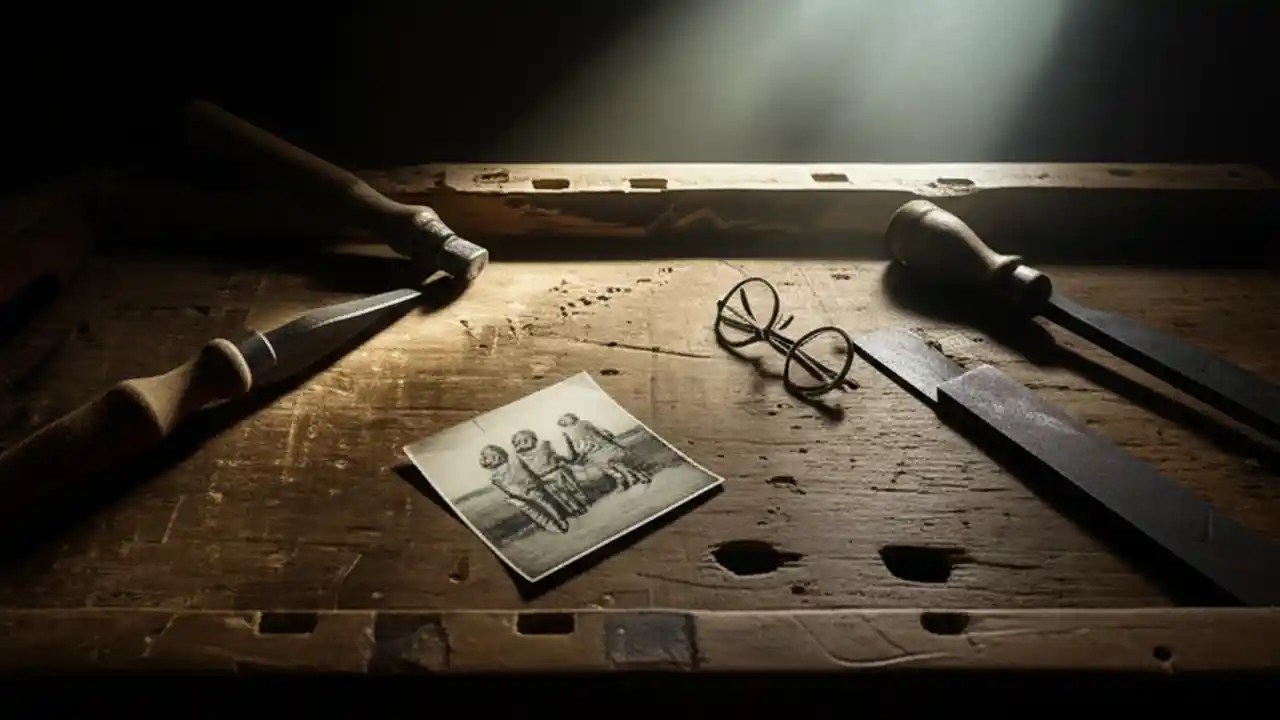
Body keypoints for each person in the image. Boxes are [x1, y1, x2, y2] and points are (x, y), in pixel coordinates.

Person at [478, 444, 568, 534]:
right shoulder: (495, 478)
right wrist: (513, 498)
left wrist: (534, 482)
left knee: (545, 503)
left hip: (530, 488)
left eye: (498, 455)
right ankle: (552, 526)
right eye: (493, 458)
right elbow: (505, 490)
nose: (497, 458)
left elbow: (529, 471)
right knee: (535, 511)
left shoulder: (514, 462)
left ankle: (559, 520)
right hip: (518, 495)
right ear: (487, 463)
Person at [558, 413, 651, 490]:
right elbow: (577, 446)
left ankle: (635, 476)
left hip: (601, 447)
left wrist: (608, 438)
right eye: (564, 421)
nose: (566, 422)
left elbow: (599, 431)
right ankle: (631, 477)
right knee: (612, 464)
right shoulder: (572, 433)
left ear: (571, 417)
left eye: (566, 419)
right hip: (594, 452)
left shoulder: (583, 424)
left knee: (617, 462)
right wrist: (583, 449)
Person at [512, 429, 589, 516]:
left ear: (534, 439)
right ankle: (575, 507)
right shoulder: (522, 457)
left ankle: (581, 503)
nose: (522, 444)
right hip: (546, 477)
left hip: (555, 472)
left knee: (569, 489)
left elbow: (554, 454)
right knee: (562, 494)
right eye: (519, 442)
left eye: (525, 440)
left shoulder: (543, 446)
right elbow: (527, 470)